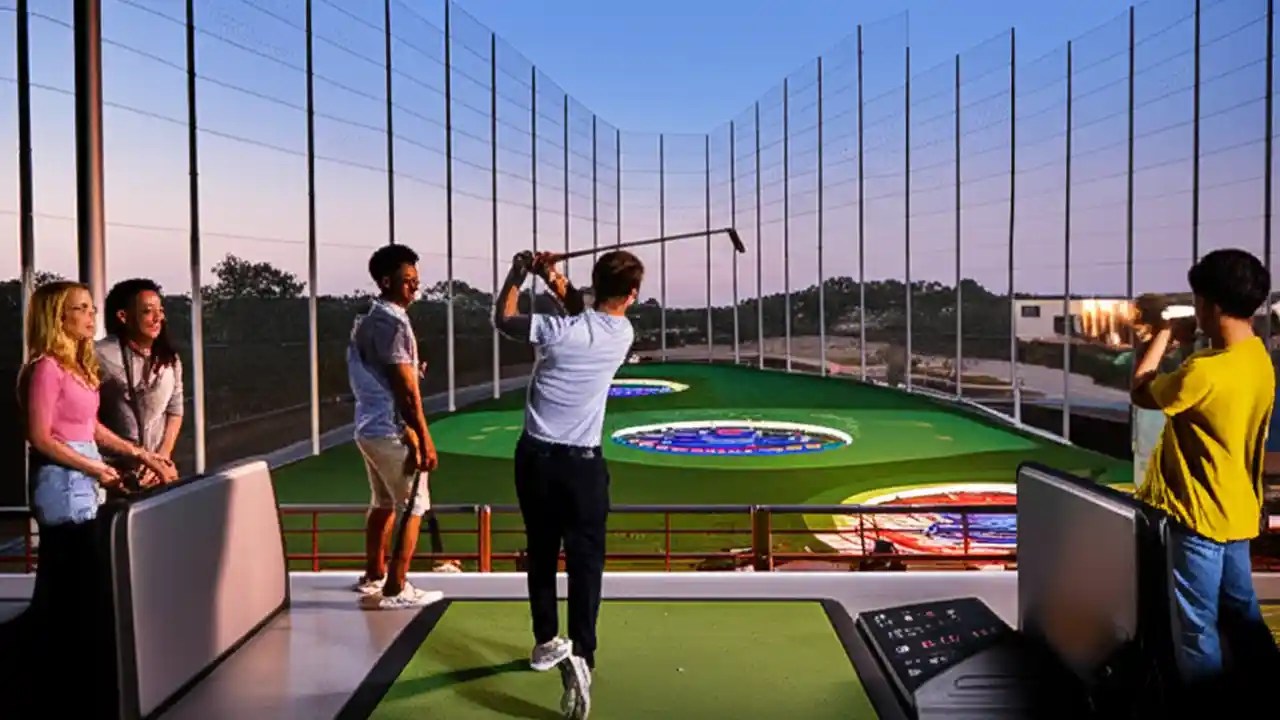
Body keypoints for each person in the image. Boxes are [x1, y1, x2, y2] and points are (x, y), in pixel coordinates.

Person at [494, 249, 644, 720]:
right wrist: (552, 275)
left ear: (596, 284)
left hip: (536, 460)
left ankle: (545, 642)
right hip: (584, 468)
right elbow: (584, 310)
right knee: (586, 566)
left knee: (541, 551)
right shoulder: (622, 334)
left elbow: (504, 318)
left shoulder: (557, 331)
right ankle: (584, 656)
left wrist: (520, 274)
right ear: (632, 295)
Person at [16, 281, 175, 712]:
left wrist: (138, 454)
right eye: (81, 309)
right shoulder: (45, 368)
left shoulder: (78, 368)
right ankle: (46, 686)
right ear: (58, 317)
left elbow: (90, 431)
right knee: (65, 588)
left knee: (80, 586)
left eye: (90, 307)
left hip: (84, 481)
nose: (91, 316)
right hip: (62, 486)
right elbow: (39, 437)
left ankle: (66, 682)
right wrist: (96, 469)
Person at [1130, 248, 1280, 698]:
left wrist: (1163, 336)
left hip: (1199, 518)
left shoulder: (1203, 372)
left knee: (1197, 633)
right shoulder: (1259, 359)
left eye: (1197, 301)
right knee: (1243, 614)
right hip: (1237, 509)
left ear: (1212, 305)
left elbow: (1141, 390)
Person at [347, 244, 448, 610]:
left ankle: (373, 576)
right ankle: (396, 587)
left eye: (417, 282)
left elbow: (388, 376)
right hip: (391, 429)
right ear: (386, 281)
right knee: (414, 505)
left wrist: (409, 377)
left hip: (368, 428)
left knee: (384, 503)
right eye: (407, 281)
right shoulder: (392, 323)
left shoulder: (367, 319)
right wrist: (425, 437)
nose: (414, 289)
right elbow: (407, 392)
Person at [96, 278, 185, 488]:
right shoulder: (98, 355)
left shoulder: (170, 360)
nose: (158, 318)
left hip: (158, 474)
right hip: (114, 477)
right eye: (147, 311)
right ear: (123, 316)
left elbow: (175, 411)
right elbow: (86, 417)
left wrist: (162, 458)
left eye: (160, 311)